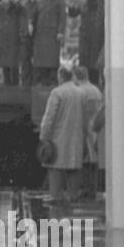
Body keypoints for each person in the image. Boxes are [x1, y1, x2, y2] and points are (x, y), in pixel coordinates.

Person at [40, 65, 86, 206]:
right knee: (73, 166)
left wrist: (44, 135)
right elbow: (85, 115)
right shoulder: (81, 93)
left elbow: (50, 116)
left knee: (55, 166)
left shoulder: (57, 93)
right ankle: (73, 195)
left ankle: (56, 195)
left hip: (58, 136)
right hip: (76, 135)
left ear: (60, 76)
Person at [73, 65, 103, 199]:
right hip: (96, 128)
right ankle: (93, 189)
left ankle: (84, 189)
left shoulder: (79, 91)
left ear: (76, 76)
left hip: (83, 129)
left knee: (82, 160)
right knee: (93, 160)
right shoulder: (96, 90)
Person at [31, 0, 66, 86]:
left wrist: (60, 31)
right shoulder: (40, 2)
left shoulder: (59, 0)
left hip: (52, 36)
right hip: (40, 36)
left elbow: (62, 17)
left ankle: (53, 83)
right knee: (41, 64)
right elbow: (34, 18)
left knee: (52, 63)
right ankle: (43, 83)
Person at [77, 0, 104, 86]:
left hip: (94, 38)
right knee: (85, 63)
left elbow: (93, 1)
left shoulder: (96, 3)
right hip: (85, 38)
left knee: (93, 65)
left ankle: (94, 83)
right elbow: (73, 11)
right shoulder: (83, 6)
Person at [18, 0, 37, 86]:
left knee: (35, 63)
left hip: (36, 38)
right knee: (25, 62)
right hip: (25, 37)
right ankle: (25, 84)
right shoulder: (24, 5)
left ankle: (34, 83)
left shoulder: (39, 4)